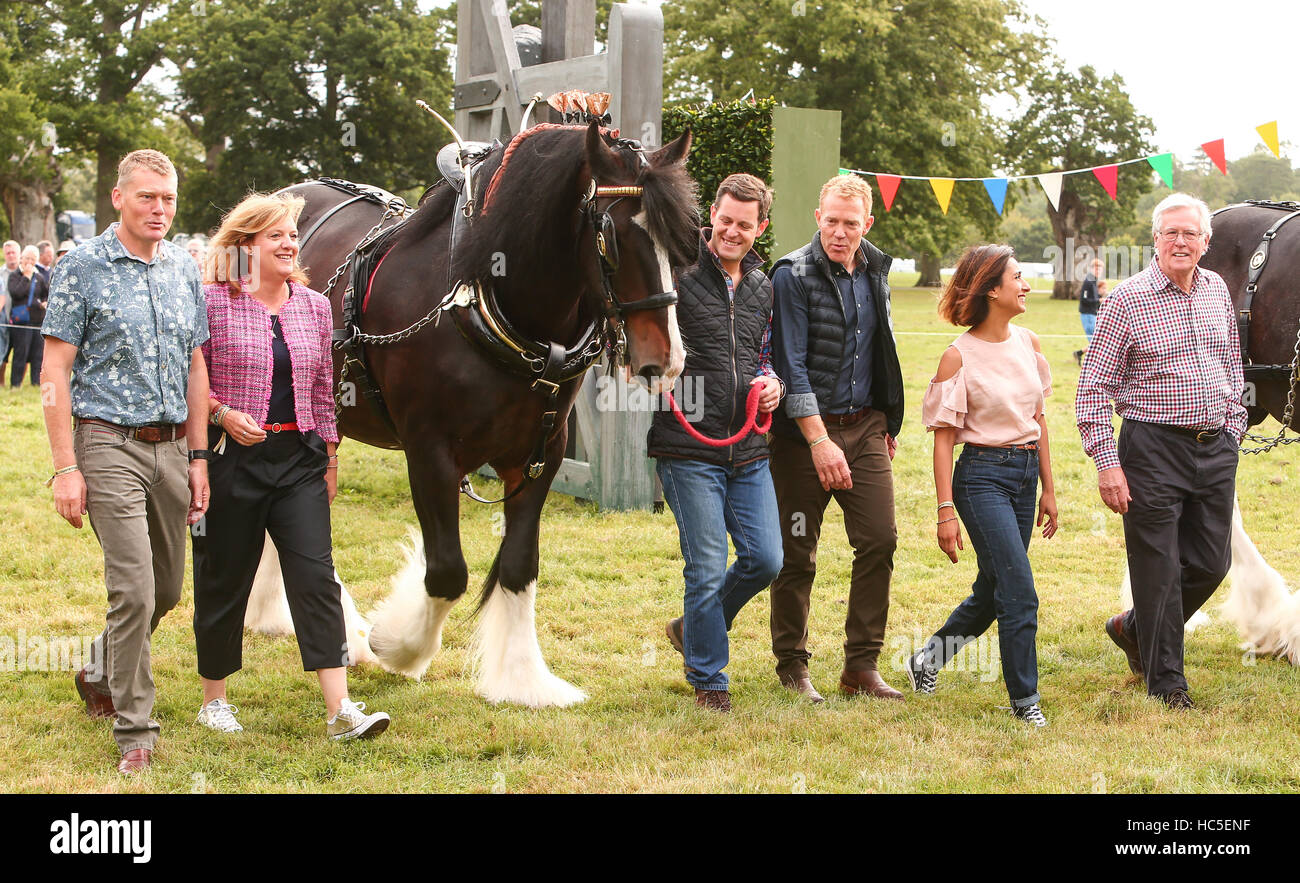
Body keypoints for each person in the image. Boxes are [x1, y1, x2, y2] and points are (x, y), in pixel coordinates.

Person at [40, 149, 211, 775]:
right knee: (134, 587)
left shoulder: (183, 271)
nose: (160, 209)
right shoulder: (81, 265)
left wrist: (198, 457)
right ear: (118, 198)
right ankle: (134, 727)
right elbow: (54, 368)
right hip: (106, 443)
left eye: (168, 198)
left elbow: (197, 366)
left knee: (166, 588)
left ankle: (98, 664)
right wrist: (66, 467)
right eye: (147, 197)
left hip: (171, 446)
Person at [194, 192, 389, 740]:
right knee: (223, 576)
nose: (289, 243)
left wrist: (328, 454)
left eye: (291, 235)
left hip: (299, 460)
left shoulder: (313, 305)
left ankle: (341, 710)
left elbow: (323, 389)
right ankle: (214, 701)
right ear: (244, 246)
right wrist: (223, 413)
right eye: (275, 235)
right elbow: (187, 382)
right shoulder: (212, 302)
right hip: (231, 460)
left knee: (315, 577)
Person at [1077, 192, 1245, 710]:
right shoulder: (1127, 299)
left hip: (1215, 447)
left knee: (1211, 564)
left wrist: (1234, 426)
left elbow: (1231, 364)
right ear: (1155, 239)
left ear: (1205, 242)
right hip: (1151, 448)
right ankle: (1168, 684)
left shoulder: (1217, 289)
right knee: (1157, 569)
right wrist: (1108, 464)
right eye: (1169, 232)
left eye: (1189, 233)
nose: (1179, 241)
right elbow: (1092, 389)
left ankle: (1132, 627)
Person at [647, 174, 784, 713]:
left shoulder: (762, 286)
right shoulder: (676, 276)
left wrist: (772, 383)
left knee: (767, 559)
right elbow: (641, 338)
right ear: (712, 218)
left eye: (744, 225)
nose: (732, 231)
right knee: (705, 564)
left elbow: (764, 353)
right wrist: (652, 370)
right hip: (687, 446)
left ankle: (692, 628)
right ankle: (709, 678)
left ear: (760, 227)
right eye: (724, 220)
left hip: (748, 449)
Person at [906, 245, 1058, 726]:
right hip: (981, 480)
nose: (1026, 284)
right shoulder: (958, 357)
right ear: (993, 289)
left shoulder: (1029, 343)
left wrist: (1049, 490)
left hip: (1025, 475)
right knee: (1019, 591)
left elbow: (1040, 421)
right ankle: (1025, 701)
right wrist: (945, 510)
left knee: (994, 587)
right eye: (1018, 276)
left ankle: (927, 659)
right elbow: (943, 443)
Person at [769, 173, 905, 702]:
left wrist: (887, 423)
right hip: (804, 436)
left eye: (851, 223)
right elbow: (791, 364)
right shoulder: (792, 274)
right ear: (817, 217)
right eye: (832, 221)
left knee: (880, 540)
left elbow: (881, 350)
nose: (840, 233)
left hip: (865, 425)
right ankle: (792, 666)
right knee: (796, 552)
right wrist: (819, 441)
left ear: (866, 223)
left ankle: (861, 668)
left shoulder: (877, 269)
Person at [8, 245, 49, 387]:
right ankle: (16, 384)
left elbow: (45, 293)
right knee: (21, 353)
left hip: (37, 321)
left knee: (38, 354)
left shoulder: (39, 277)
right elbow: (16, 293)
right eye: (27, 259)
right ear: (22, 258)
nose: (29, 262)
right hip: (21, 321)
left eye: (33, 260)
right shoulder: (15, 276)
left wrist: (44, 302)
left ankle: (36, 383)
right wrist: (26, 277)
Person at [1074, 258, 1104, 365]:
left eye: (1100, 269)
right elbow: (1084, 299)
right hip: (1087, 314)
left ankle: (1079, 353)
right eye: (1096, 269)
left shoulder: (1094, 281)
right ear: (1091, 269)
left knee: (1097, 339)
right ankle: (1092, 361)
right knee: (1096, 340)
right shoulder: (1088, 281)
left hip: (1093, 313)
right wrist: (1098, 300)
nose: (1098, 271)